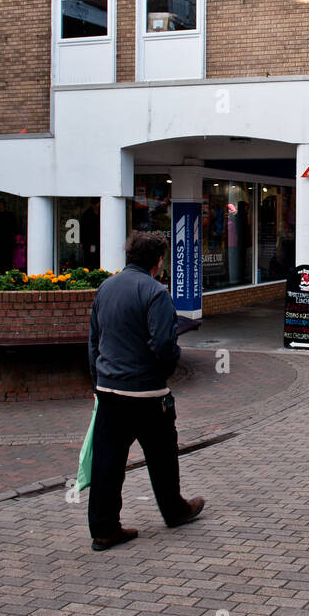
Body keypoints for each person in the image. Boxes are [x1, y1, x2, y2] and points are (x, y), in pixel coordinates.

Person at [87, 230, 205, 551]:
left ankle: (104, 528)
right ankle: (174, 509)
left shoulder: (105, 288)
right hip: (147, 393)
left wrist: (98, 380)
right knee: (163, 455)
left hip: (109, 390)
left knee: (107, 462)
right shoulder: (155, 292)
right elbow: (164, 344)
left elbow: (94, 341)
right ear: (158, 261)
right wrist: (164, 372)